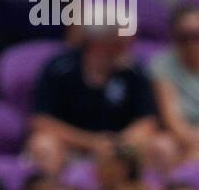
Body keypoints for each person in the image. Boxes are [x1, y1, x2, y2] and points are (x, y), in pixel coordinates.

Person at [32, 23, 158, 159]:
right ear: (97, 43)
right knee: (43, 144)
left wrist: (118, 144)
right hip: (71, 145)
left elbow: (147, 121)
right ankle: (49, 181)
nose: (126, 50)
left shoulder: (133, 71)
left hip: (119, 148)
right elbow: (41, 121)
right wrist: (91, 142)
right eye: (118, 44)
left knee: (158, 145)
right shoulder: (60, 68)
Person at [150, 3, 199, 159]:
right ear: (173, 36)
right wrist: (193, 142)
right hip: (184, 136)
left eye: (198, 36)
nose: (192, 44)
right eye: (184, 37)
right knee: (162, 146)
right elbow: (171, 118)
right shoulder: (162, 65)